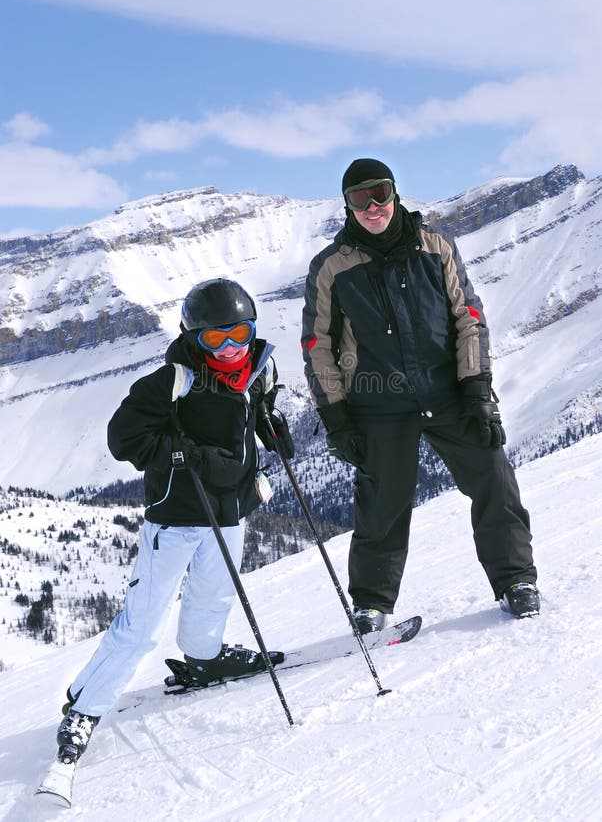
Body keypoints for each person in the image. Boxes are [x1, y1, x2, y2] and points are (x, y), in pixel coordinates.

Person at [55, 278, 293, 765]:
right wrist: (181, 453)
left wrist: (270, 426)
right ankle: (85, 705)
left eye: (240, 334)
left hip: (231, 509)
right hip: (178, 515)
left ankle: (204, 659)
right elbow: (123, 437)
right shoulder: (174, 380)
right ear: (193, 337)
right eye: (215, 338)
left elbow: (256, 411)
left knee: (214, 596)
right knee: (143, 623)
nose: (230, 348)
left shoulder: (259, 369)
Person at [302, 158, 539, 634]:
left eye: (380, 194)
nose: (373, 207)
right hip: (379, 403)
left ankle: (515, 579)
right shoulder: (331, 267)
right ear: (347, 205)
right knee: (381, 506)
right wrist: (337, 417)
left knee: (494, 478)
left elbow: (469, 317)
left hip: (448, 392)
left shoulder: (436, 246)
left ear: (394, 193)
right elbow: (316, 345)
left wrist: (476, 387)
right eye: (360, 198)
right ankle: (371, 604)